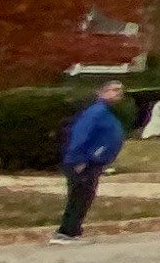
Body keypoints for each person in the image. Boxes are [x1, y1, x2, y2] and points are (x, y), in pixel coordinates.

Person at [53, 81, 125, 241]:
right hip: (83, 162)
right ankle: (65, 232)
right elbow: (80, 134)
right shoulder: (95, 112)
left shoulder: (105, 112)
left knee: (85, 196)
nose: (118, 93)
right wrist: (78, 159)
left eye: (120, 90)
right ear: (101, 92)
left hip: (93, 162)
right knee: (79, 197)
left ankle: (72, 230)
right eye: (113, 90)